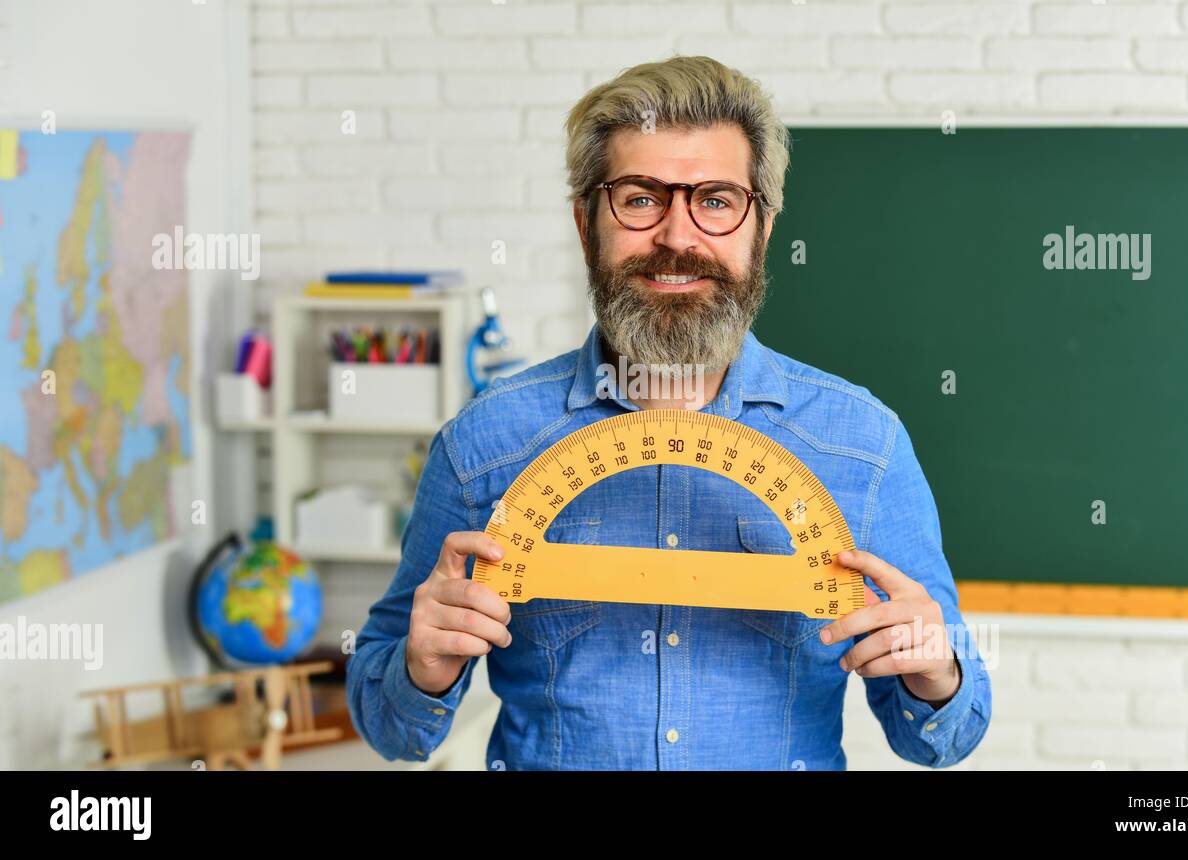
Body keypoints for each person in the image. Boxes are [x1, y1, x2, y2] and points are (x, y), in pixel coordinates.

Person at [346, 55, 991, 770]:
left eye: (715, 200)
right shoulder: (487, 441)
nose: (679, 237)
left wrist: (937, 673)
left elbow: (948, 737)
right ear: (586, 224)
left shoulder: (863, 446)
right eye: (640, 197)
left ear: (763, 227)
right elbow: (388, 725)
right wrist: (418, 668)